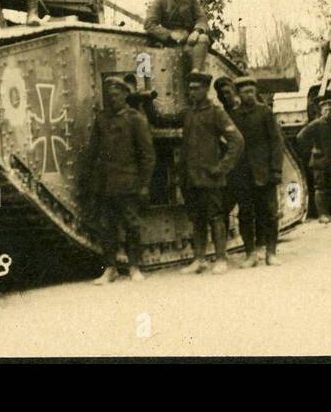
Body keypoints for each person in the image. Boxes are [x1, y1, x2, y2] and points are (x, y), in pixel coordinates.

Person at [82, 77, 155, 284]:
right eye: (109, 95)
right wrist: (89, 180)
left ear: (125, 95)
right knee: (107, 227)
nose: (112, 99)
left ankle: (134, 267)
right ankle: (111, 268)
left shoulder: (135, 119)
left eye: (115, 95)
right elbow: (92, 151)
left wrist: (144, 184)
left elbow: (147, 155)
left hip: (128, 182)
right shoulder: (102, 119)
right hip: (106, 183)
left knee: (132, 225)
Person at [172, 72, 244, 274]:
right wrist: (148, 103)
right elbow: (162, 120)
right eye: (190, 88)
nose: (191, 91)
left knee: (216, 217)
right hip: (191, 177)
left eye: (196, 88)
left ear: (205, 90)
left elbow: (237, 141)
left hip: (210, 177)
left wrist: (222, 167)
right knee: (197, 219)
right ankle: (199, 259)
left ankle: (221, 258)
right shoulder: (187, 113)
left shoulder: (216, 112)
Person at [227, 77, 285, 266]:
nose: (249, 95)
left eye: (252, 91)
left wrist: (276, 169)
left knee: (270, 213)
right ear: (239, 95)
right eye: (245, 92)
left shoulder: (265, 113)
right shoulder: (233, 116)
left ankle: (271, 252)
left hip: (264, 172)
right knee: (245, 214)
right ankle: (250, 254)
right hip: (242, 173)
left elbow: (277, 143)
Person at [144, 0, 211, 72]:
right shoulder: (161, 0)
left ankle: (196, 73)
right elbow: (149, 24)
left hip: (189, 41)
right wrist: (170, 34)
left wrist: (197, 31)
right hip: (170, 43)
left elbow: (201, 18)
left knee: (203, 38)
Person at [297, 98, 331, 222]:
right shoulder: (316, 123)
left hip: (329, 160)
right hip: (319, 161)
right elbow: (301, 136)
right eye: (326, 109)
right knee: (320, 187)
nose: (328, 111)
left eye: (330, 109)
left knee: (328, 187)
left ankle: (326, 213)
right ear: (321, 111)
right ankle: (321, 215)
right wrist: (313, 148)